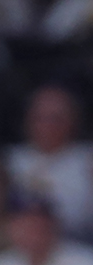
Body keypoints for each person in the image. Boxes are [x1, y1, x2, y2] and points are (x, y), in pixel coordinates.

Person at [6, 86, 93, 240]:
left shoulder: (86, 157)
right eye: (40, 118)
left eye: (56, 118)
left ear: (73, 121)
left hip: (79, 243)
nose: (48, 126)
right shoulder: (11, 160)